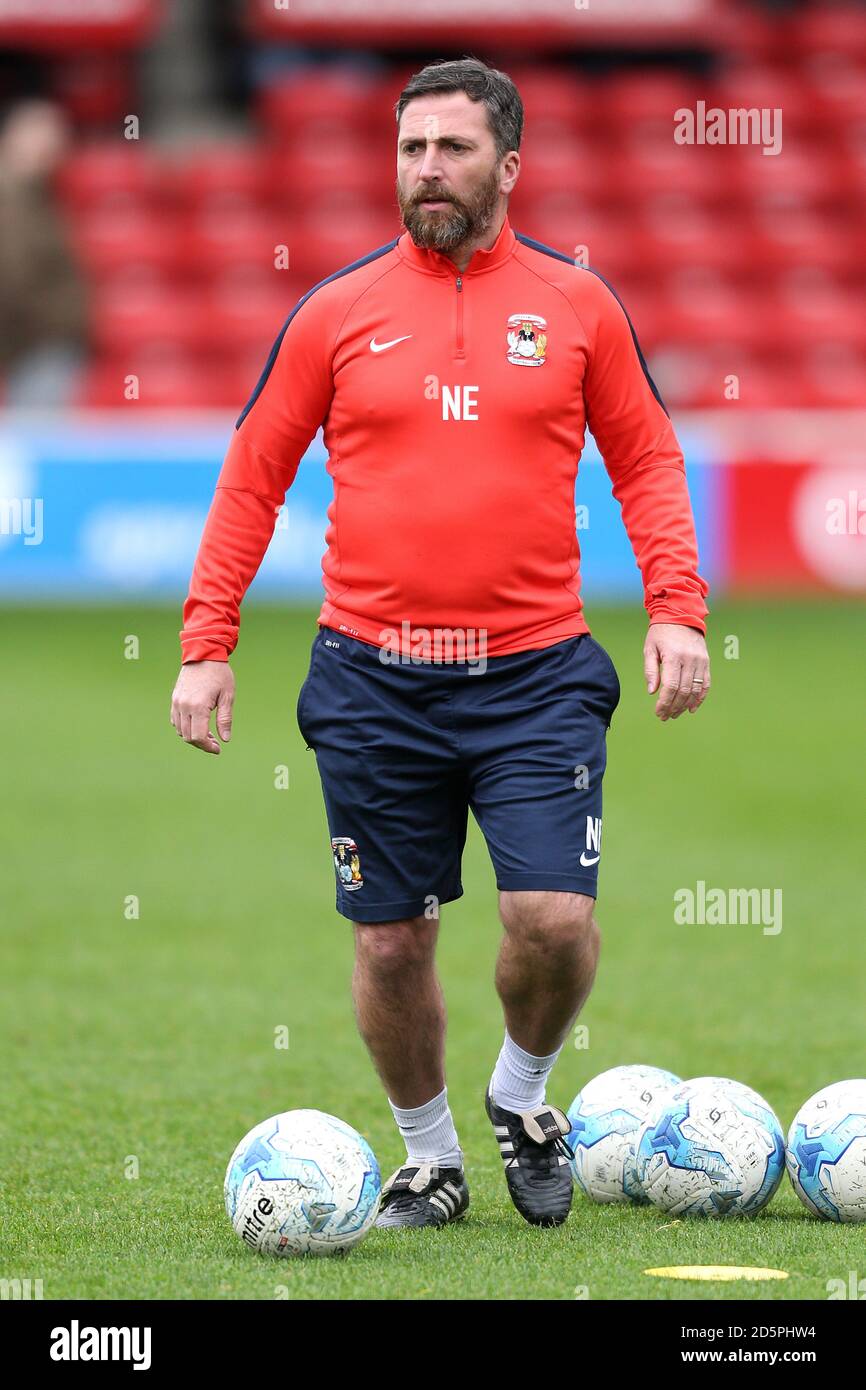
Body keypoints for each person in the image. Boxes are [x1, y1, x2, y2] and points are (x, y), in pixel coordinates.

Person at [172, 58, 710, 1230]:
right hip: (371, 678)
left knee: (552, 923)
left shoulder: (577, 303)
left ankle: (521, 1099)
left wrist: (676, 607)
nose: (427, 169)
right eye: (411, 148)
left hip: (534, 675)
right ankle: (431, 1158)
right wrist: (204, 644)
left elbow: (647, 461)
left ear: (508, 165)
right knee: (389, 944)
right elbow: (251, 476)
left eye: (453, 149)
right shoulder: (333, 309)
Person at [0, 100, 87, 407]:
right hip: (36, 343)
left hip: (43, 342)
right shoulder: (11, 196)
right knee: (37, 433)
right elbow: (14, 274)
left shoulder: (39, 192)